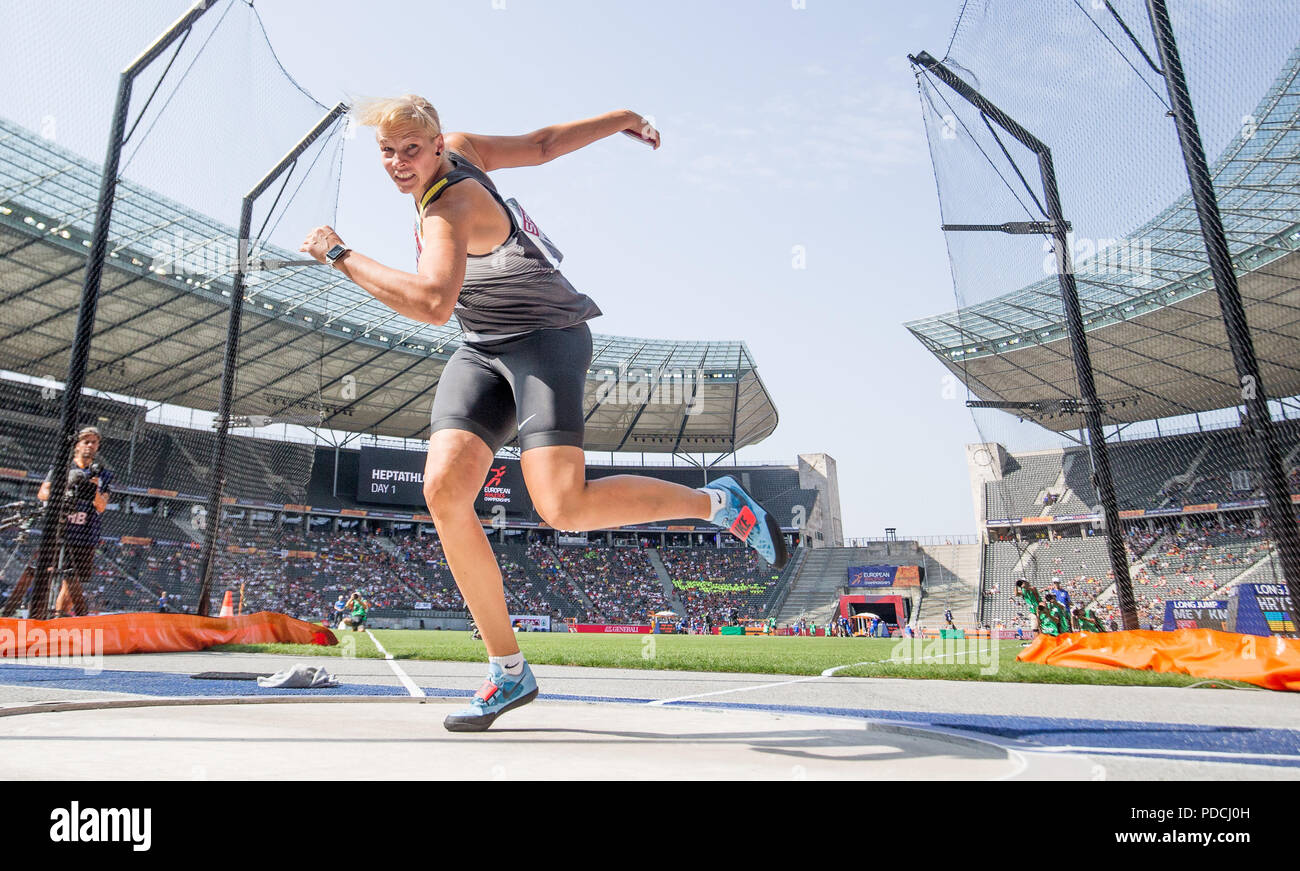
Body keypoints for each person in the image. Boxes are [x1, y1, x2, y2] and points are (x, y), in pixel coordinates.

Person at [301, 96, 788, 732]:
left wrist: (340, 255)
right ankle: (508, 672)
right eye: (387, 152)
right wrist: (619, 119)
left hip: (547, 341)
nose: (398, 163)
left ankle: (718, 504)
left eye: (411, 150)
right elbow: (540, 145)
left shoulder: (450, 206)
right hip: (484, 350)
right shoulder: (463, 153)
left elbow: (431, 303)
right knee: (445, 490)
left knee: (562, 506)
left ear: (439, 144)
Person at [2, 427, 113, 618]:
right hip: (58, 528)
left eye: (94, 442)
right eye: (86, 441)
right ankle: (14, 612)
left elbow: (102, 506)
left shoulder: (103, 474)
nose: (90, 445)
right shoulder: (61, 468)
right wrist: (66, 487)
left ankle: (59, 616)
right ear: (77, 445)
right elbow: (42, 494)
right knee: (37, 572)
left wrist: (93, 488)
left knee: (72, 581)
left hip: (85, 533)